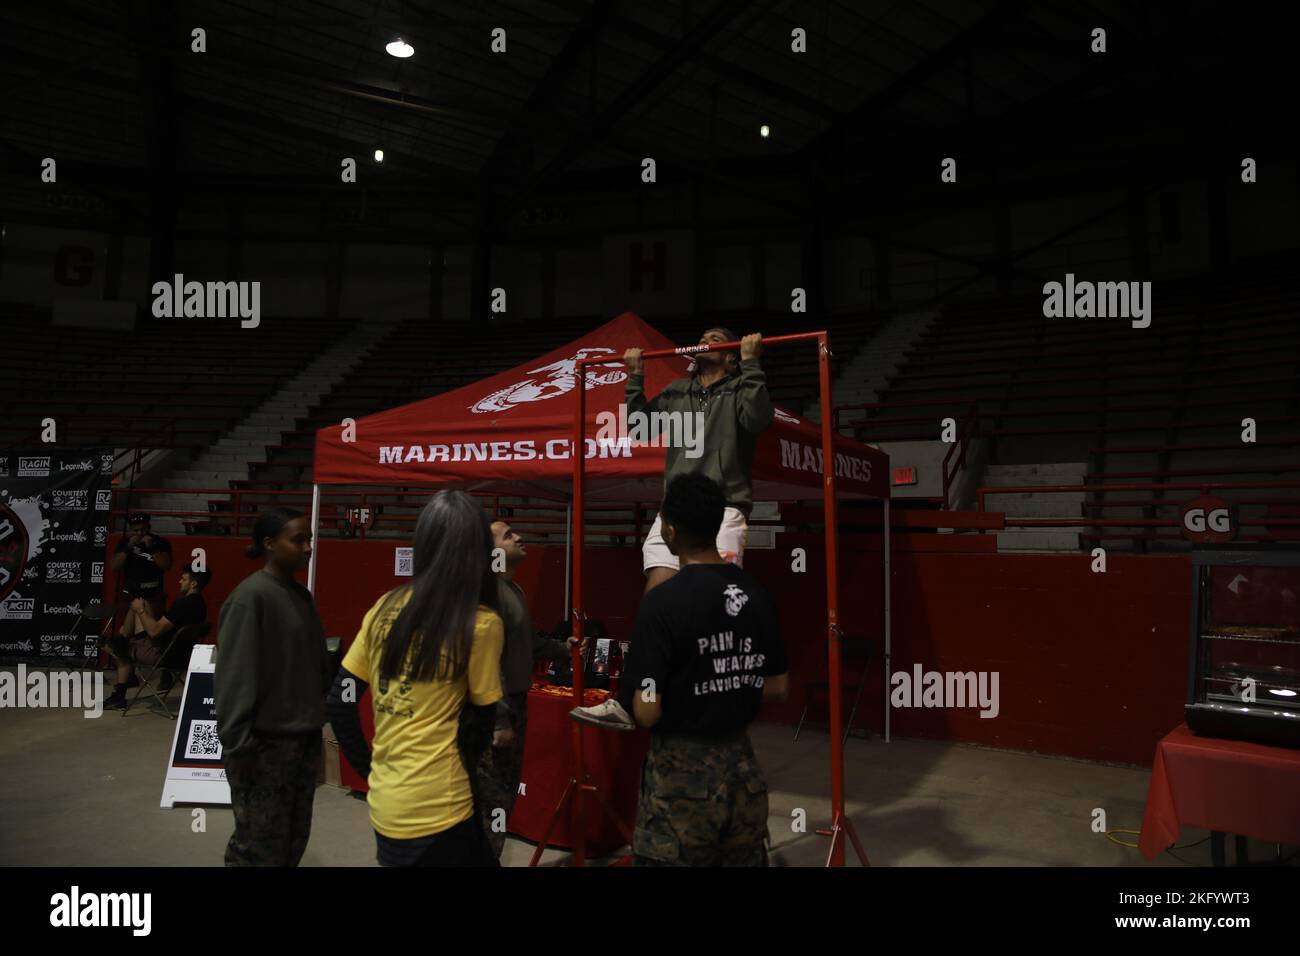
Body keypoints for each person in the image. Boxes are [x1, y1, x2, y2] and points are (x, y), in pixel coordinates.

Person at [572, 327, 774, 730]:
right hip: (675, 513)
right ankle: (633, 701)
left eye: (715, 337)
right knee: (655, 606)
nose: (704, 340)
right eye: (700, 336)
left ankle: (703, 700)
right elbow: (640, 430)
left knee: (711, 612)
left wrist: (753, 365)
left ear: (731, 356)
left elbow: (758, 418)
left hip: (723, 511)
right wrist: (635, 378)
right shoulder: (679, 391)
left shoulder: (739, 389)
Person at [325, 491, 504, 867]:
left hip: (388, 804)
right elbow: (482, 721)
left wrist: (371, 771)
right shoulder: (482, 623)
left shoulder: (385, 606)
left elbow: (340, 701)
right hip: (442, 808)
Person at [618, 474, 788, 866]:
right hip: (744, 777)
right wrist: (724, 685)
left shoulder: (660, 604)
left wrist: (690, 688)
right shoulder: (756, 594)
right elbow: (778, 687)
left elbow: (647, 709)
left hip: (681, 788)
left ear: (670, 531)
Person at [214, 508, 332, 867]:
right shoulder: (251, 598)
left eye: (309, 539)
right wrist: (238, 744)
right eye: (297, 540)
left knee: (292, 839)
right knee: (257, 845)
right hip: (263, 746)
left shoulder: (300, 595)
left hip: (301, 740)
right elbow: (234, 677)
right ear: (269, 544)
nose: (307, 547)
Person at [471, 519, 579, 859]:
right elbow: (486, 661)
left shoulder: (512, 590)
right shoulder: (486, 594)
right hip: (494, 710)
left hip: (515, 705)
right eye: (508, 535)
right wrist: (501, 720)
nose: (519, 537)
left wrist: (564, 648)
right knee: (491, 800)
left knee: (503, 797)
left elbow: (526, 644)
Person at [103, 564, 211, 709]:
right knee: (143, 603)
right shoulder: (200, 604)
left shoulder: (182, 604)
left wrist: (140, 610)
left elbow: (154, 631)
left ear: (193, 583)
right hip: (182, 654)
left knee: (119, 647)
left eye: (183, 579)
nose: (179, 581)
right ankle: (124, 636)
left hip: (164, 655)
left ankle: (119, 696)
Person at [104, 513, 173, 702]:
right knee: (126, 639)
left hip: (153, 595)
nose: (140, 533)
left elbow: (166, 565)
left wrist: (151, 547)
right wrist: (128, 548)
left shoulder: (159, 542)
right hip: (130, 595)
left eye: (143, 529)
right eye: (136, 530)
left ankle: (166, 670)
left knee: (154, 636)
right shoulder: (125, 543)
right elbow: (114, 566)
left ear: (149, 527)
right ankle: (126, 680)